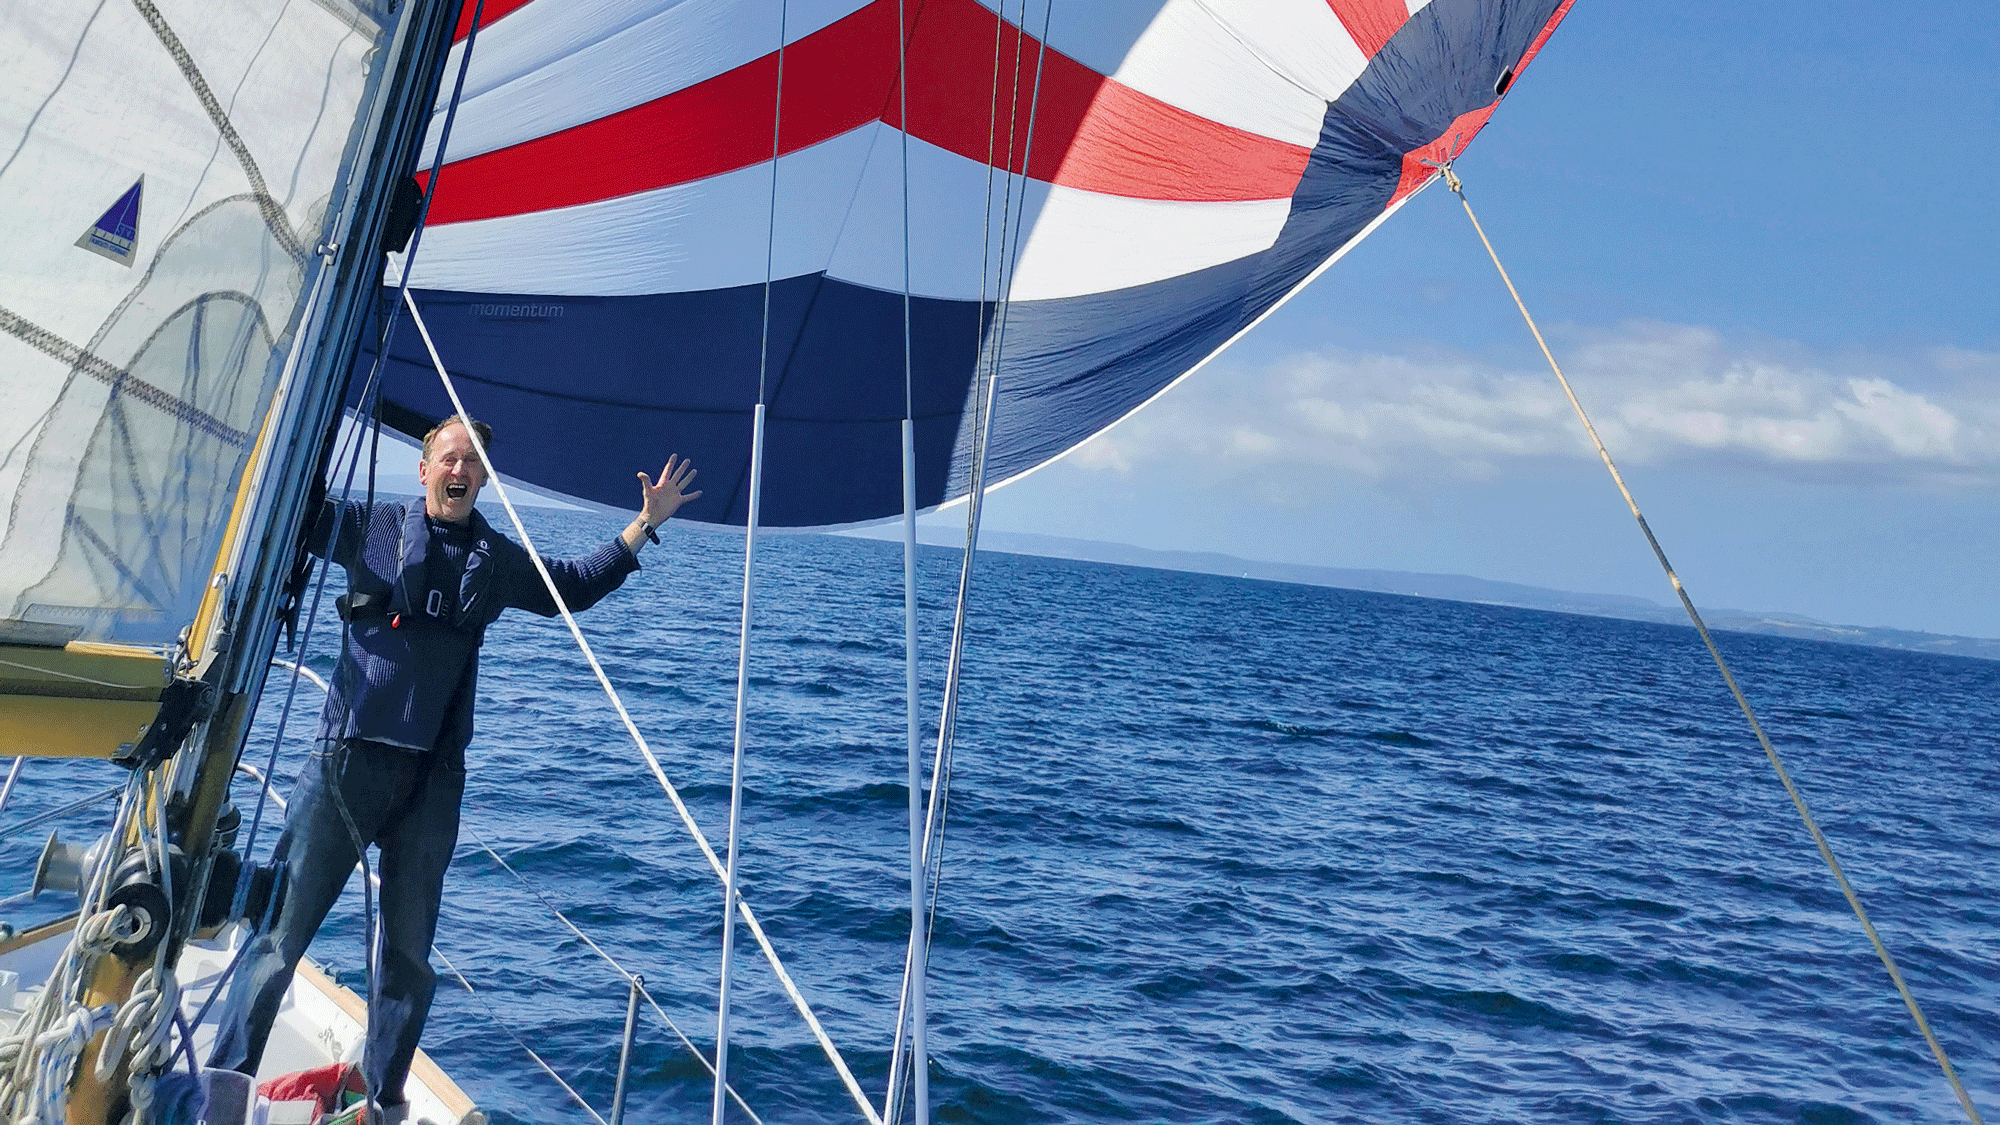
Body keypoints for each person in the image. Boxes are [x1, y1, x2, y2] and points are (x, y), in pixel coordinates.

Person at [211, 416, 701, 1115]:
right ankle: (223, 1091)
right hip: (346, 764)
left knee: (408, 962)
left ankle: (381, 1102)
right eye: (450, 456)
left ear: (483, 478)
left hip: (431, 787)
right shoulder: (370, 525)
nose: (461, 469)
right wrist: (272, 428)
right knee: (281, 935)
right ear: (424, 468)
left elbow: (572, 586)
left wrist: (644, 524)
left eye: (474, 461)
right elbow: (291, 506)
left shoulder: (495, 560)